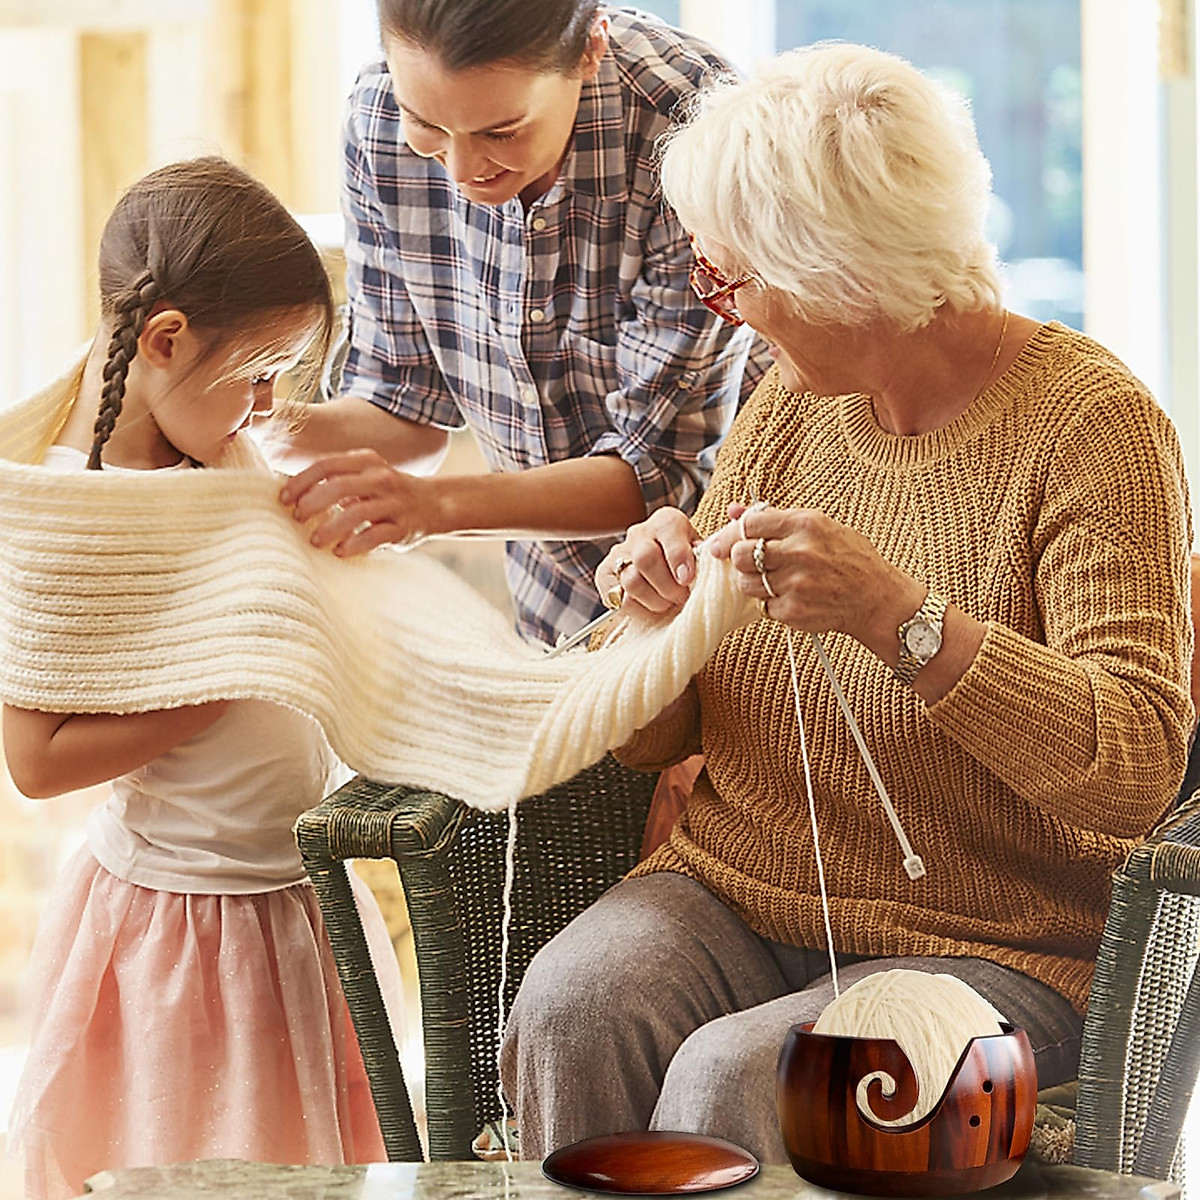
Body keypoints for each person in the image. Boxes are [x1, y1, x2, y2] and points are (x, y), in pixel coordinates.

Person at [500, 43, 1194, 1162]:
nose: (722, 315)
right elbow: (670, 730)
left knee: (743, 1077)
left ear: (840, 271)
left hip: (1004, 952)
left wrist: (899, 618)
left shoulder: (1091, 429)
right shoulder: (790, 404)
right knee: (573, 1002)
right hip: (739, 892)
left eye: (735, 281)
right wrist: (654, 624)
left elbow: (1136, 763)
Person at [3, 158, 404, 1200]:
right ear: (167, 339)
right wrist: (214, 686)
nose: (271, 403)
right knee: (192, 1174)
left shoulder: (227, 463)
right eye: (260, 372)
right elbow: (36, 764)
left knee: (312, 1173)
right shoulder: (70, 511)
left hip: (300, 906)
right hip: (179, 932)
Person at [273, 0, 770, 646]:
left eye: (501, 132)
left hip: (722, 575)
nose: (460, 169)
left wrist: (436, 509)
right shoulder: (375, 123)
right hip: (553, 593)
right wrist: (253, 424)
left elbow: (655, 473)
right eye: (425, 124)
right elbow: (404, 410)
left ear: (590, 48)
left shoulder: (688, 123)